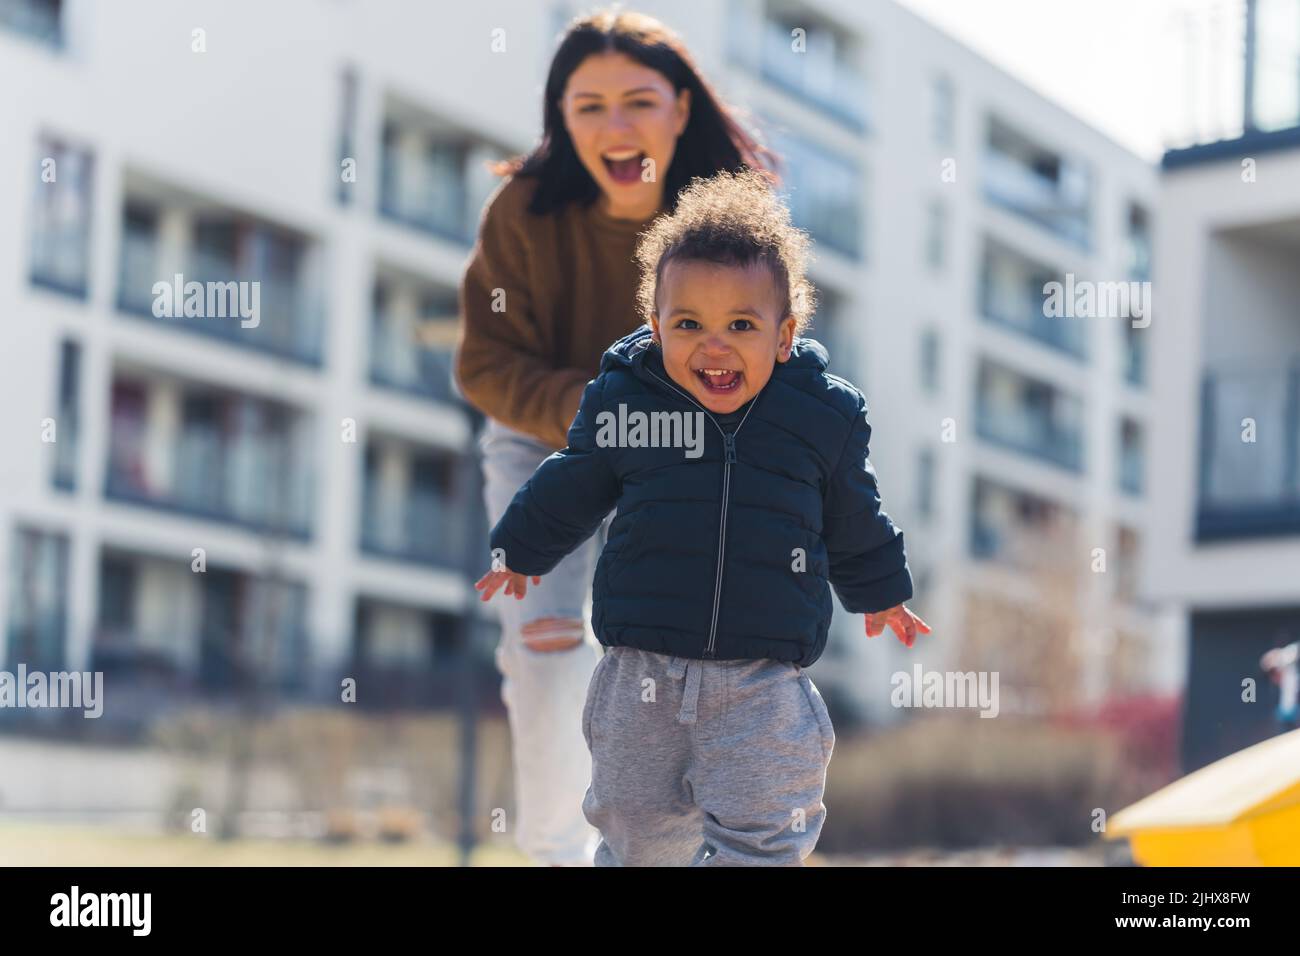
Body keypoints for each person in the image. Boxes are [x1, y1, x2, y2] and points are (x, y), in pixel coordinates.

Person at [476, 170, 931, 866]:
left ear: (784, 336)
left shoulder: (820, 418)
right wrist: (521, 548)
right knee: (636, 830)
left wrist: (880, 591)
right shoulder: (628, 403)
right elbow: (574, 479)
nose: (713, 347)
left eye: (740, 326)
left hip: (762, 685)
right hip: (639, 679)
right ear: (656, 329)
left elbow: (854, 512)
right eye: (689, 325)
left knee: (762, 833)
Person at [454, 9, 774, 866]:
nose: (615, 125)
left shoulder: (730, 218)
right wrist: (598, 417)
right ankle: (557, 853)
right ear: (562, 118)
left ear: (680, 109)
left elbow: (773, 345)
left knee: (665, 665)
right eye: (587, 106)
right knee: (548, 649)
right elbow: (485, 363)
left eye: (638, 101)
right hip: (543, 441)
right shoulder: (523, 214)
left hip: (687, 455)